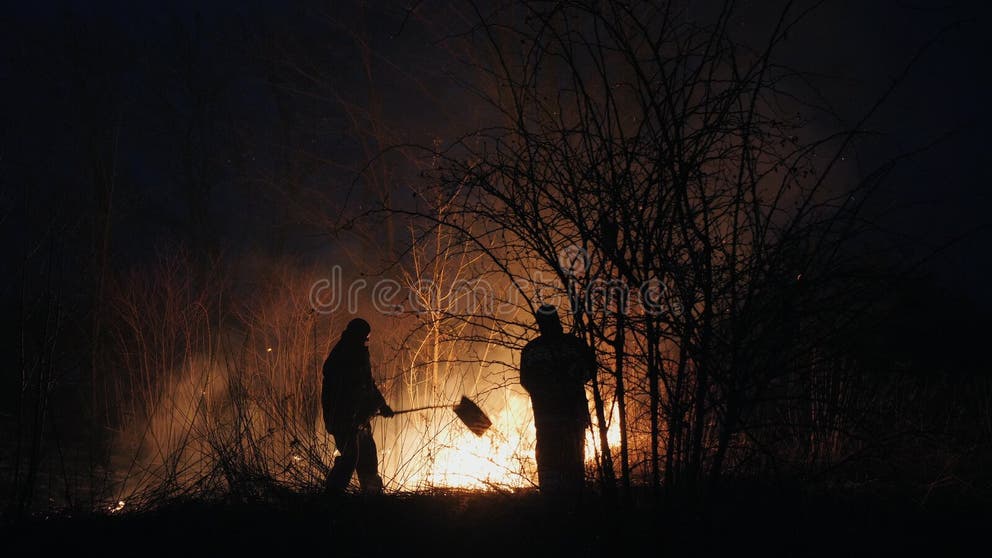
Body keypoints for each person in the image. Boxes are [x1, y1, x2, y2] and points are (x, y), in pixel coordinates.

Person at [519, 304, 597, 500]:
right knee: (573, 456)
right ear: (557, 321)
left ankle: (551, 499)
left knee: (548, 458)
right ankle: (574, 498)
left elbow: (526, 381)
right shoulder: (574, 345)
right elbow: (590, 371)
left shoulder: (531, 350)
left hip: (546, 417)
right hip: (573, 414)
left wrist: (545, 392)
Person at [321, 317, 395, 494]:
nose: (367, 340)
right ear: (358, 335)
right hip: (345, 421)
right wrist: (353, 418)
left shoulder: (356, 353)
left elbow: (368, 385)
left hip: (359, 420)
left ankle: (372, 499)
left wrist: (381, 405)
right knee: (350, 458)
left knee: (368, 458)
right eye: (365, 336)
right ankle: (331, 497)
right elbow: (347, 392)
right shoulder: (344, 356)